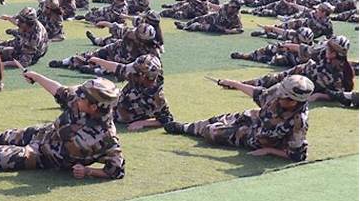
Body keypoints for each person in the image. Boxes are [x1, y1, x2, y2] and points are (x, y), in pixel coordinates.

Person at [0, 75, 125, 180]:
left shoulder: (107, 138)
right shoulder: (80, 102)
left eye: (83, 97)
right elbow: (59, 89)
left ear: (94, 106)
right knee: (4, 136)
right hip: (43, 133)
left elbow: (116, 170)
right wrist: (35, 76)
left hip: (42, 157)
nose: (78, 97)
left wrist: (87, 171)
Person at [164, 75, 314, 162]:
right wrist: (233, 84)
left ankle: (190, 129)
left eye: (283, 96)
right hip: (255, 118)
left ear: (294, 101)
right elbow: (259, 94)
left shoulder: (299, 121)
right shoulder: (280, 92)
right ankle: (184, 127)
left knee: (213, 132)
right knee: (218, 118)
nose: (278, 96)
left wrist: (269, 150)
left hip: (255, 137)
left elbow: (297, 155)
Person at [242, 35, 354, 94]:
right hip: (299, 73)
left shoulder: (340, 72)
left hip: (306, 88)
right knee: (272, 80)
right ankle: (245, 84)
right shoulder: (322, 52)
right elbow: (304, 49)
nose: (326, 49)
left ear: (335, 53)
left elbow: (335, 94)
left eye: (329, 49)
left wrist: (317, 96)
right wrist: (285, 45)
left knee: (279, 90)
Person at [89, 55, 174, 131]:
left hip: (117, 115)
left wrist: (142, 123)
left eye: (136, 72)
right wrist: (96, 60)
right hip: (116, 101)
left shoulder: (157, 98)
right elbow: (119, 68)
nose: (132, 73)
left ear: (144, 76)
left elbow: (167, 119)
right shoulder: (138, 77)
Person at [174, 0, 243, 34]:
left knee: (198, 26)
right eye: (230, 6)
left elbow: (240, 29)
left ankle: (187, 27)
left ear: (236, 8)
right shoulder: (225, 7)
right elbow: (218, 7)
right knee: (199, 18)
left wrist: (229, 31)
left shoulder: (236, 17)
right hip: (215, 18)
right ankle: (185, 24)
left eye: (233, 7)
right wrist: (208, 4)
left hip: (219, 27)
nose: (230, 8)